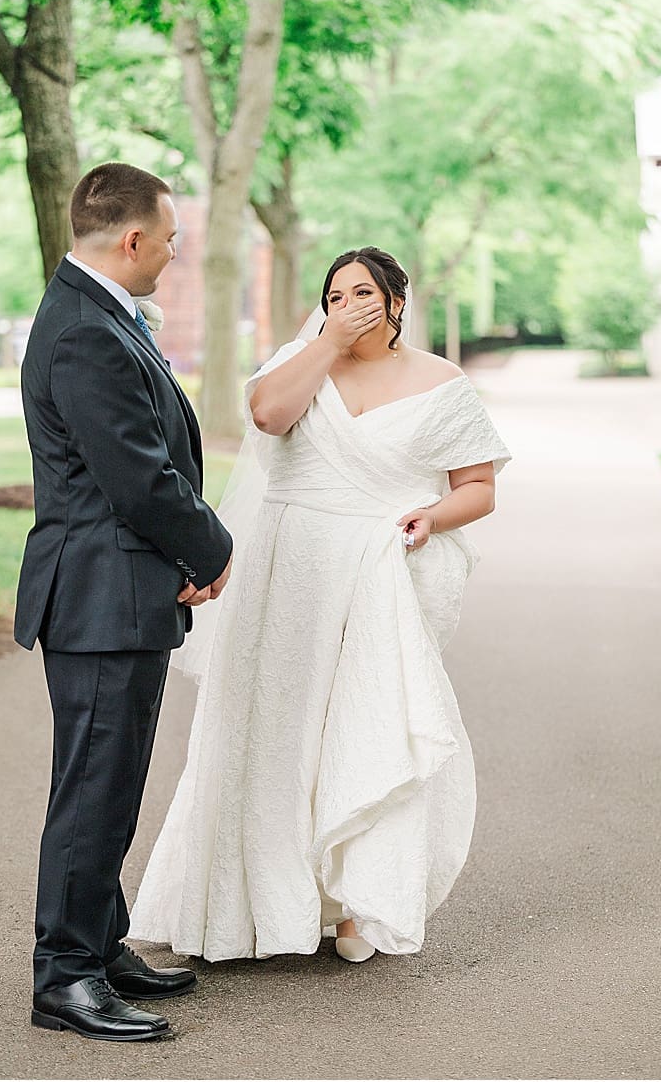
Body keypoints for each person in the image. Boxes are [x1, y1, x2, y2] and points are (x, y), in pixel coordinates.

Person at [130, 247, 510, 965]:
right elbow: (269, 415)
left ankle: (353, 901)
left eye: (365, 293)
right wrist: (326, 344)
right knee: (274, 724)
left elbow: (479, 488)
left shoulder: (443, 383)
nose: (349, 305)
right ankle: (253, 902)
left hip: (376, 570)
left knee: (363, 724)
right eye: (336, 295)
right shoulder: (298, 361)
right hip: (288, 567)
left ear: (397, 302)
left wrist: (434, 516)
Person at [14, 162, 234, 1042]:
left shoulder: (99, 314)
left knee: (110, 781)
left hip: (118, 592)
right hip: (100, 596)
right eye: (170, 241)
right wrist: (213, 545)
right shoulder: (83, 329)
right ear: (132, 238)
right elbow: (136, 475)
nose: (173, 257)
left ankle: (99, 945)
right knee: (95, 791)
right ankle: (63, 977)